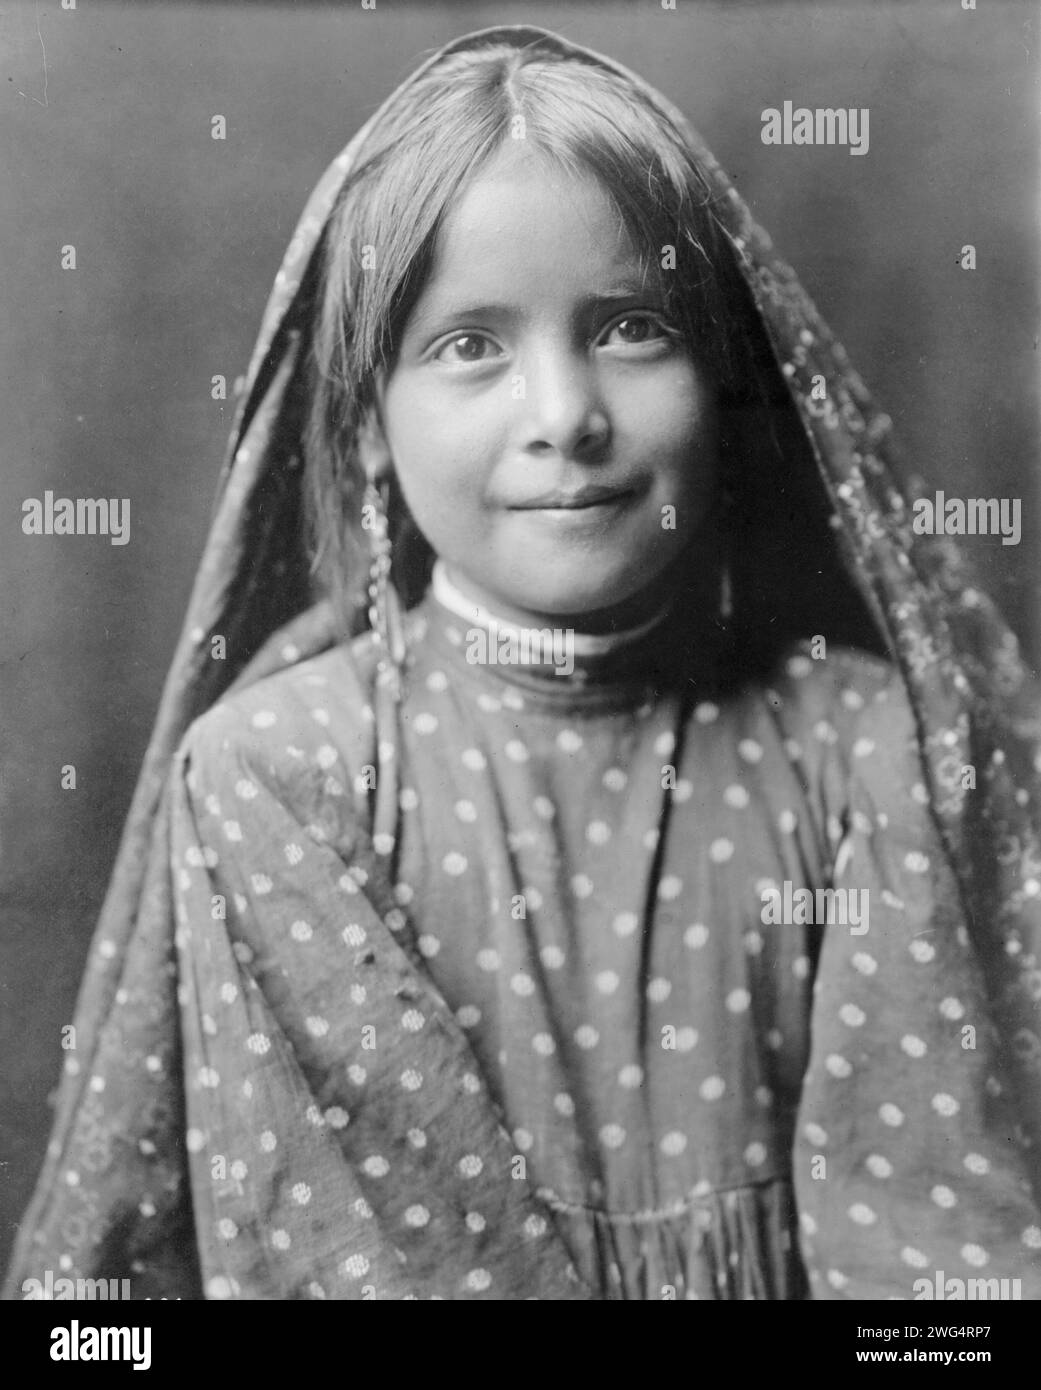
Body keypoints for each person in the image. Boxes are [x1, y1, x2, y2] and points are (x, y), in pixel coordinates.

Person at [6, 24, 1040, 1302]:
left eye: (632, 327)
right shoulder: (282, 777)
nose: (565, 416)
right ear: (367, 428)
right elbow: (368, 1259)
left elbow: (931, 1269)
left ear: (726, 377)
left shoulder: (863, 747)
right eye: (470, 347)